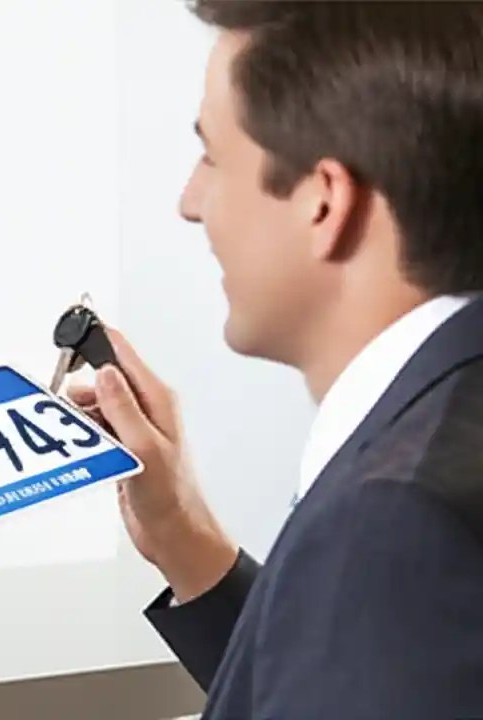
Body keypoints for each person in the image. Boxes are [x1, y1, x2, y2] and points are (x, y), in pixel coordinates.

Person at [69, 1, 483, 717]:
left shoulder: (393, 521)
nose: (189, 202)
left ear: (324, 202)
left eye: (212, 156)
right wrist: (183, 537)